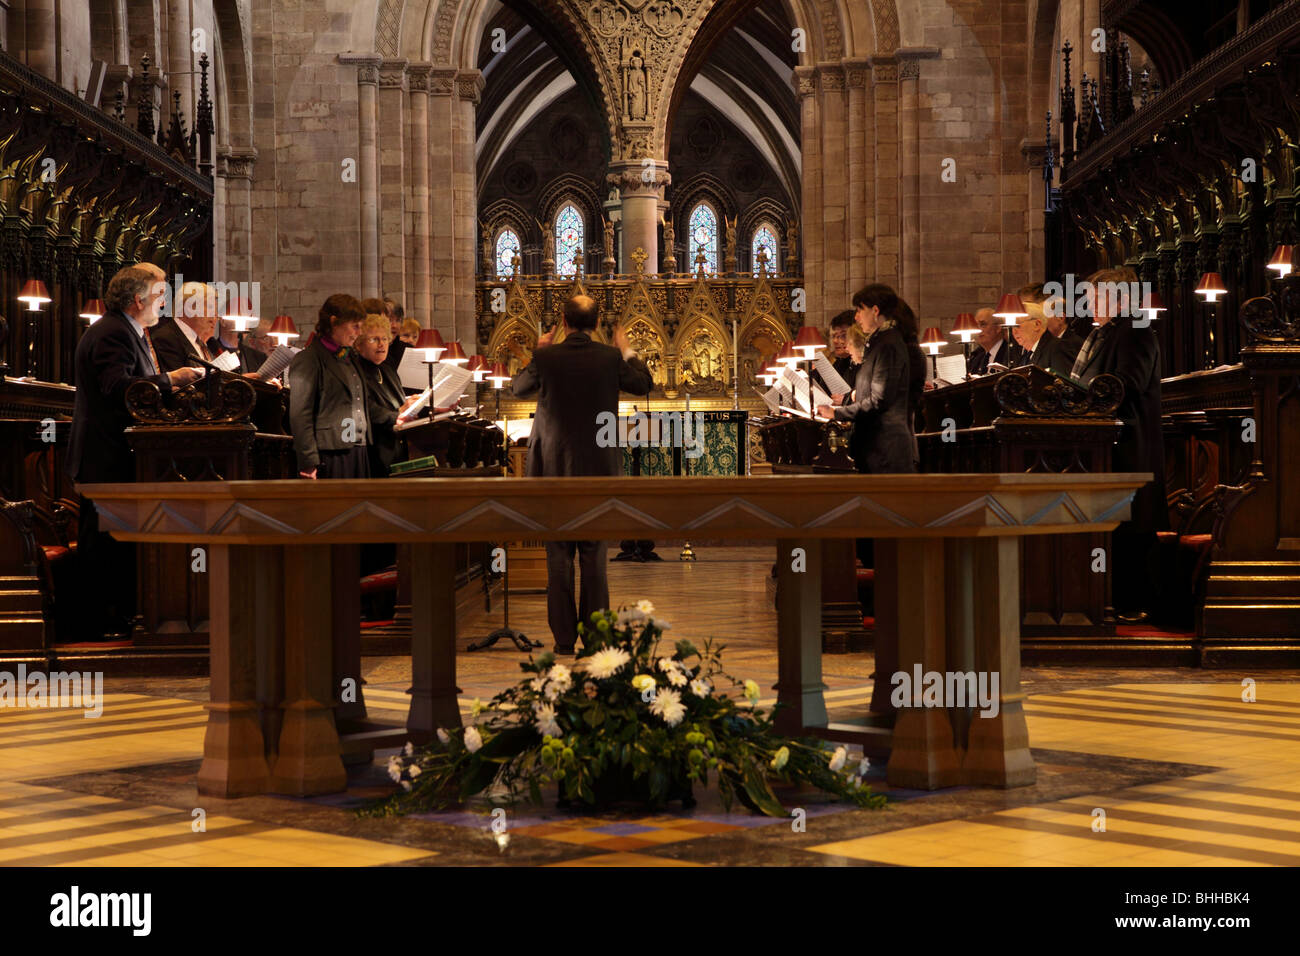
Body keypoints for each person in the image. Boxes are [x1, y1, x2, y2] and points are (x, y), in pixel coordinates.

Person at [66, 266, 203, 638]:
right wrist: (170, 380)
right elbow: (118, 389)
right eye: (159, 296)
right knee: (103, 541)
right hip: (105, 455)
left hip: (119, 454)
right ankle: (95, 623)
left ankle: (118, 615)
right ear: (138, 300)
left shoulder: (130, 329)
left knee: (117, 539)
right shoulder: (112, 332)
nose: (163, 304)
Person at [511, 294, 653, 653]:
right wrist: (626, 349)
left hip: (552, 471)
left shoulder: (546, 357)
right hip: (597, 471)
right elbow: (643, 383)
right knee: (594, 556)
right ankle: (594, 639)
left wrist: (537, 351)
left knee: (558, 556)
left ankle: (562, 641)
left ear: (563, 320)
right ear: (596, 323)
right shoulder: (609, 358)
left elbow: (518, 388)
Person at [1070, 266, 1167, 622]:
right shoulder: (1105, 334)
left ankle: (1139, 606)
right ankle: (1118, 600)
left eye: (1095, 298)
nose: (1089, 305)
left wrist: (1083, 393)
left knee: (1133, 532)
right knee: (1119, 532)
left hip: (1128, 445)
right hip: (1103, 446)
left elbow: (1129, 383)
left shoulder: (1136, 330)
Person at [817, 284, 916, 474]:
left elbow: (879, 400)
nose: (856, 317)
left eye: (859, 310)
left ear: (875, 310)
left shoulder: (889, 345)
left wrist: (836, 413)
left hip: (886, 449)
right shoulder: (879, 343)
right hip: (874, 446)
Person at [288, 294, 371, 479]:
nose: (358, 332)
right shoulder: (309, 358)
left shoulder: (351, 357)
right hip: (330, 452)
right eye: (354, 326)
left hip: (358, 450)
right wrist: (308, 460)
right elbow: (300, 414)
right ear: (334, 322)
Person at [354, 313, 417, 477]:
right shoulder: (354, 371)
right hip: (373, 452)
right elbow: (365, 407)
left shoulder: (388, 370)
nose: (381, 344)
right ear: (359, 344)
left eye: (384, 339)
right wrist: (396, 415)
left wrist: (421, 404)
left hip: (397, 450)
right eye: (374, 339)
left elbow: (400, 401)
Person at [151, 280, 217, 370]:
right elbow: (179, 381)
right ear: (189, 308)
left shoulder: (203, 344)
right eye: (210, 307)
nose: (215, 315)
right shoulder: (166, 339)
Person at [1022, 282, 1084, 367]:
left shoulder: (1073, 345)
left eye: (1043, 315)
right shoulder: (1043, 344)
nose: (1039, 321)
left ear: (1060, 318)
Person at [1011, 299, 1075, 377]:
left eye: (1017, 326)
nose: (1014, 332)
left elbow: (1064, 385)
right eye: (1012, 327)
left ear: (1037, 324)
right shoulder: (1021, 354)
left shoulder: (1058, 348)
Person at [966, 307, 1010, 375]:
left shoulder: (1009, 353)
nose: (978, 330)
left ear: (998, 328)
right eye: (975, 325)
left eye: (983, 324)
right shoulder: (976, 358)